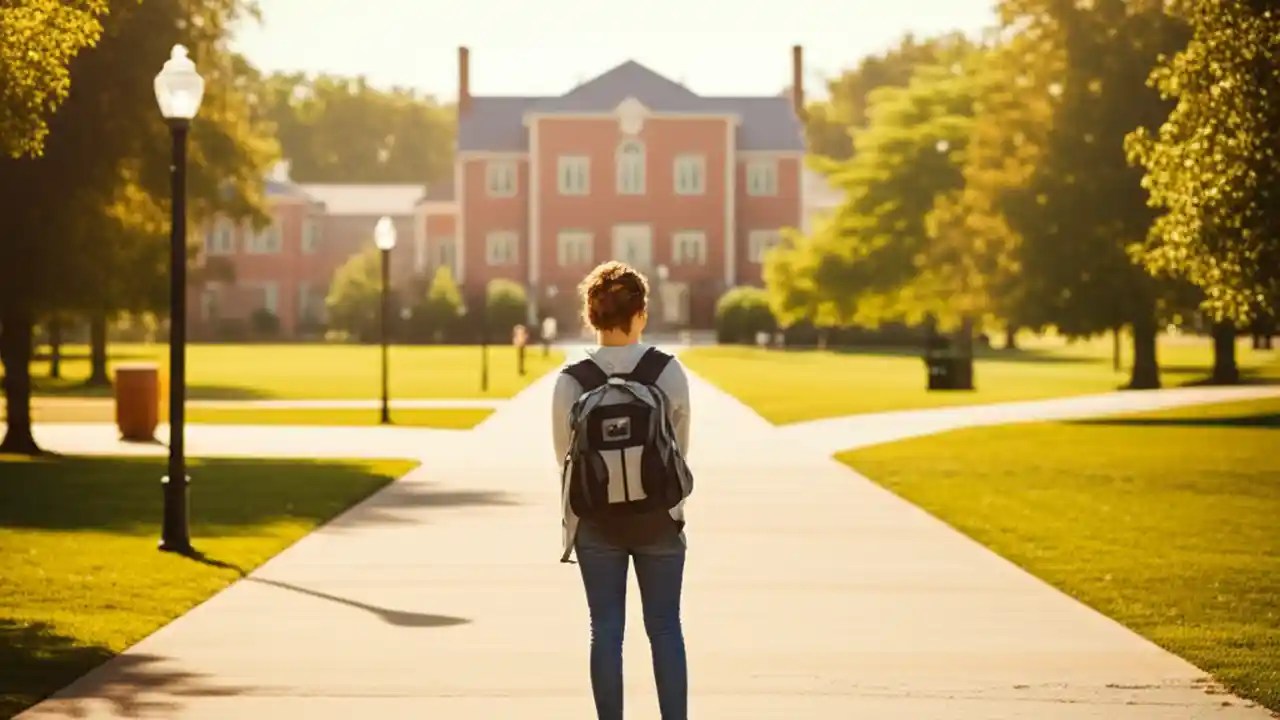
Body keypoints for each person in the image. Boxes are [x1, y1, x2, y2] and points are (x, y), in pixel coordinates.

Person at [552, 261, 692, 720]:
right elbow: (679, 455)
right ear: (642, 314)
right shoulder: (667, 372)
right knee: (666, 629)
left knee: (606, 630)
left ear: (590, 316)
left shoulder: (572, 381)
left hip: (596, 523)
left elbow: (564, 458)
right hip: (659, 521)